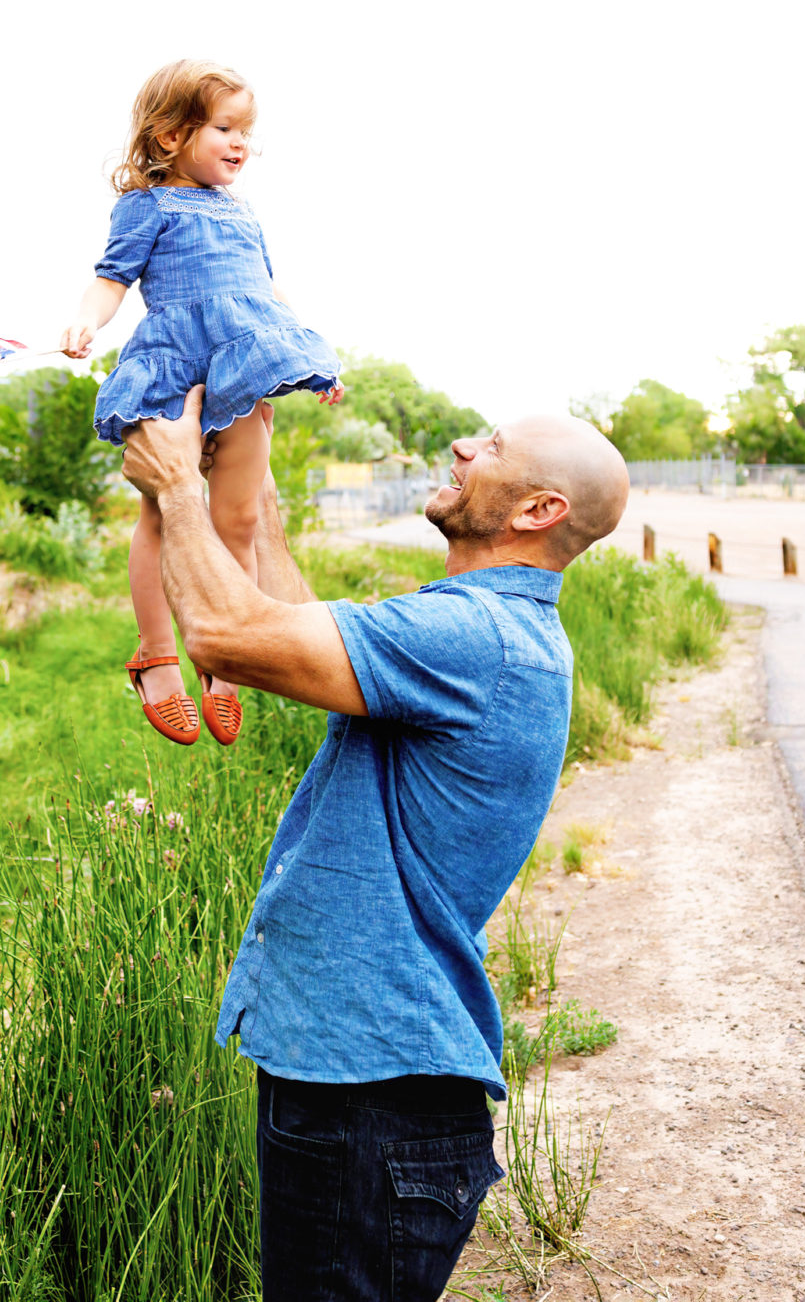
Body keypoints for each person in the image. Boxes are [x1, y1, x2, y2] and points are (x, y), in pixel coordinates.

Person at [120, 389, 630, 1302]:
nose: (462, 445)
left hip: (376, 1105)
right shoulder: (483, 631)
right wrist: (251, 481)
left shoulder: (477, 638)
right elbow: (297, 629)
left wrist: (178, 494)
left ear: (537, 510)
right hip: (366, 1086)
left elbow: (230, 635)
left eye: (493, 444)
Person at [60, 59, 341, 748]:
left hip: (243, 367)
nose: (242, 143)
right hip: (174, 369)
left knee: (238, 517)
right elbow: (110, 281)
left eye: (248, 131)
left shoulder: (243, 214)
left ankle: (229, 655)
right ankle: (156, 653)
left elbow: (266, 294)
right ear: (169, 134)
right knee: (162, 509)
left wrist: (312, 357)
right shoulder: (146, 207)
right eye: (225, 128)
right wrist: (86, 323)